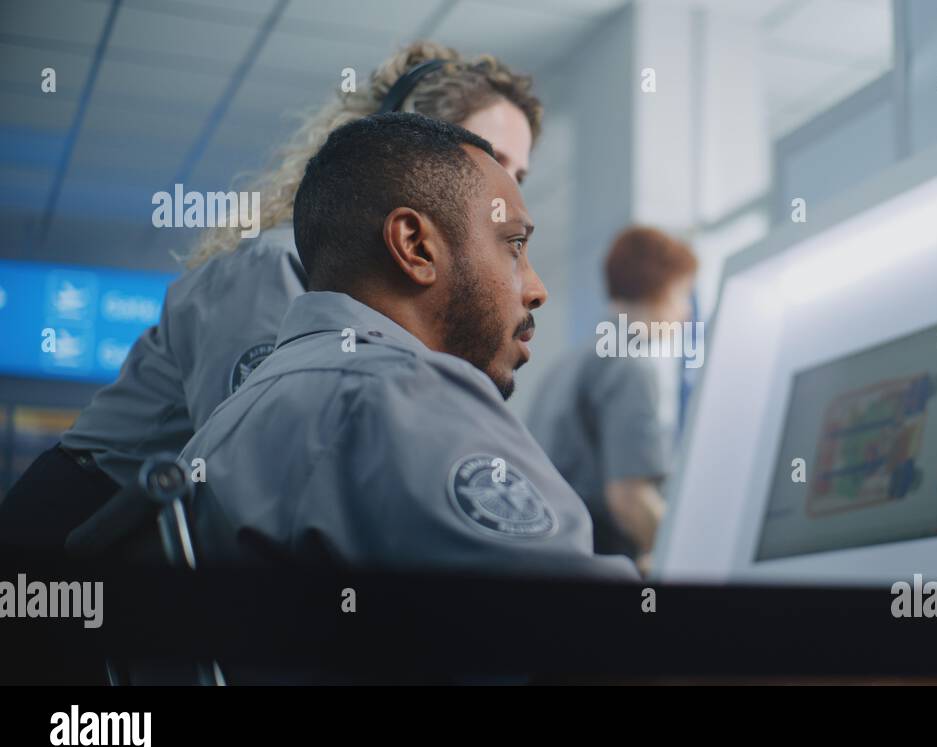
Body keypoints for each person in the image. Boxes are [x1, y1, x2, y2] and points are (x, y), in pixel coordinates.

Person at [0, 41, 543, 549]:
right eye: (489, 156)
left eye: (517, 172)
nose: (505, 186)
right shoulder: (277, 264)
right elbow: (264, 468)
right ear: (410, 140)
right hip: (67, 544)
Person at [177, 113, 634, 578]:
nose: (536, 289)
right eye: (513, 245)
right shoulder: (398, 392)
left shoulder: (229, 421)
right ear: (415, 246)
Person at [527, 227, 698, 573]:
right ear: (657, 291)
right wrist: (685, 555)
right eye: (682, 296)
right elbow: (629, 499)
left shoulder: (569, 363)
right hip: (597, 553)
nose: (685, 314)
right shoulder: (632, 366)